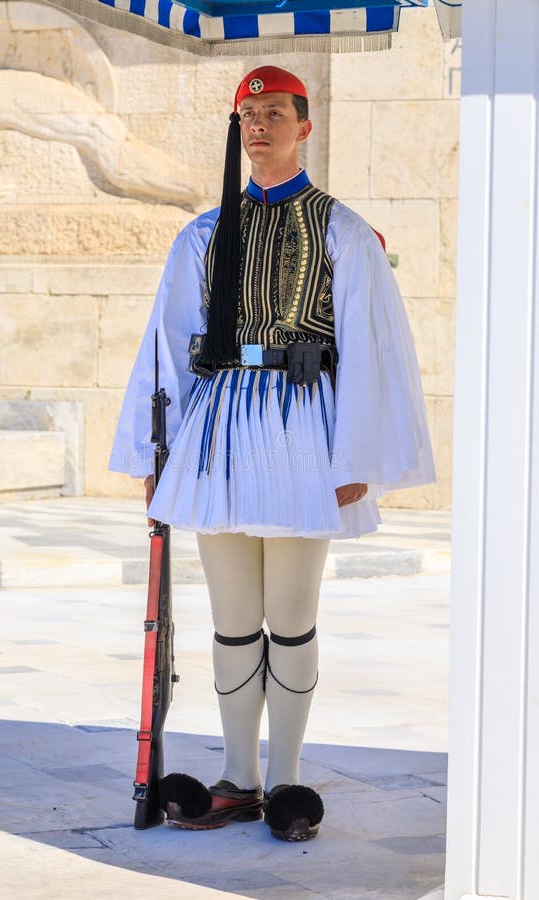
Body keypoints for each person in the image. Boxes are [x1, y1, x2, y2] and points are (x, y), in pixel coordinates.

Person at [109, 65, 435, 842]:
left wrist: (355, 455)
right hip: (221, 431)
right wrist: (158, 450)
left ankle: (287, 777)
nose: (260, 126)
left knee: (290, 618)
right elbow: (169, 346)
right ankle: (239, 778)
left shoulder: (341, 231)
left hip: (301, 430)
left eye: (276, 114)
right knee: (232, 621)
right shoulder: (204, 232)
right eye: (248, 115)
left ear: (304, 128)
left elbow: (370, 349)